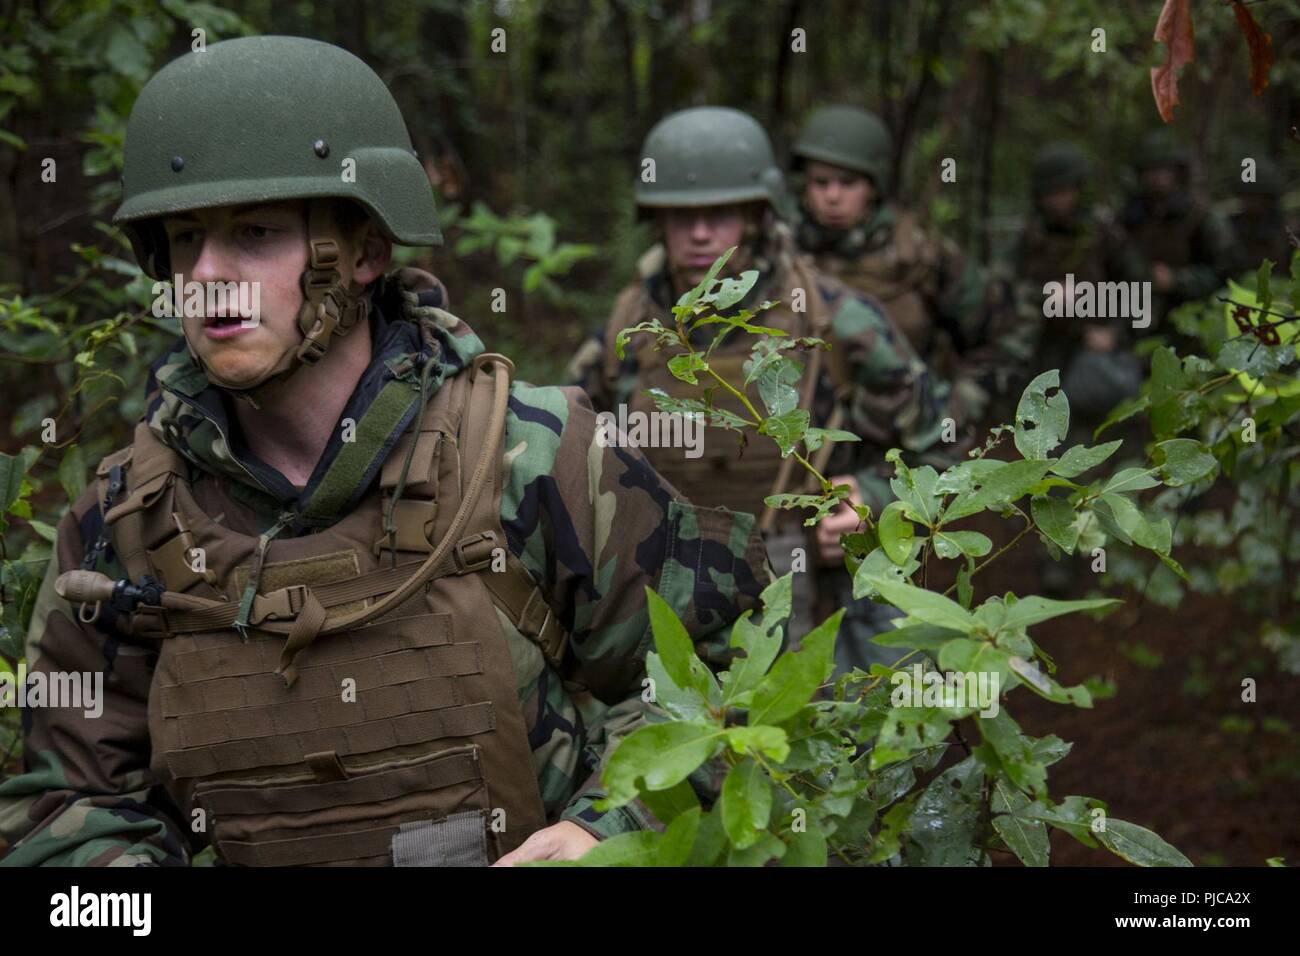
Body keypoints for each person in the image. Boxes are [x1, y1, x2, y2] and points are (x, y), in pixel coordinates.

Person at [0, 36, 771, 867]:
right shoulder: (122, 521)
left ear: (364, 253)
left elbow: (720, 683)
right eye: (186, 241)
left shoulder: (536, 455)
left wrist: (608, 832)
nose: (209, 276)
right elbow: (60, 808)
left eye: (254, 233)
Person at [566, 106, 957, 678]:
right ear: (656, 220)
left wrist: (871, 497)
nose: (700, 234)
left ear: (754, 216)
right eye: (681, 216)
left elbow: (945, 451)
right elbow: (568, 461)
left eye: (720, 214)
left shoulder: (832, 320)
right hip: (657, 583)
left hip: (794, 583)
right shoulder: (627, 326)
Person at [789, 104, 1030, 428]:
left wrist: (960, 405)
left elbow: (1004, 335)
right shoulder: (784, 254)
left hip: (903, 439)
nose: (832, 196)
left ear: (873, 186)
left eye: (848, 183)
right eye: (821, 182)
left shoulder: (922, 255)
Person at [1010, 142, 1144, 436]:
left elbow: (1136, 289)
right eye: (1050, 194)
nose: (1058, 201)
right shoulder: (1030, 235)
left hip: (1094, 338)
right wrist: (1043, 294)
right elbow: (1007, 286)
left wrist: (1113, 332)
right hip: (1043, 339)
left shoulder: (1104, 232)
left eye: (1064, 191)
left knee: (1099, 412)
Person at [1120, 129, 1242, 321]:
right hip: (1137, 316)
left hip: (1192, 317)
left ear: (1177, 173)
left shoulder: (1202, 218)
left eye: (1163, 170)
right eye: (1150, 170)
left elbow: (1228, 276)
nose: (1156, 177)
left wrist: (1177, 280)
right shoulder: (1130, 217)